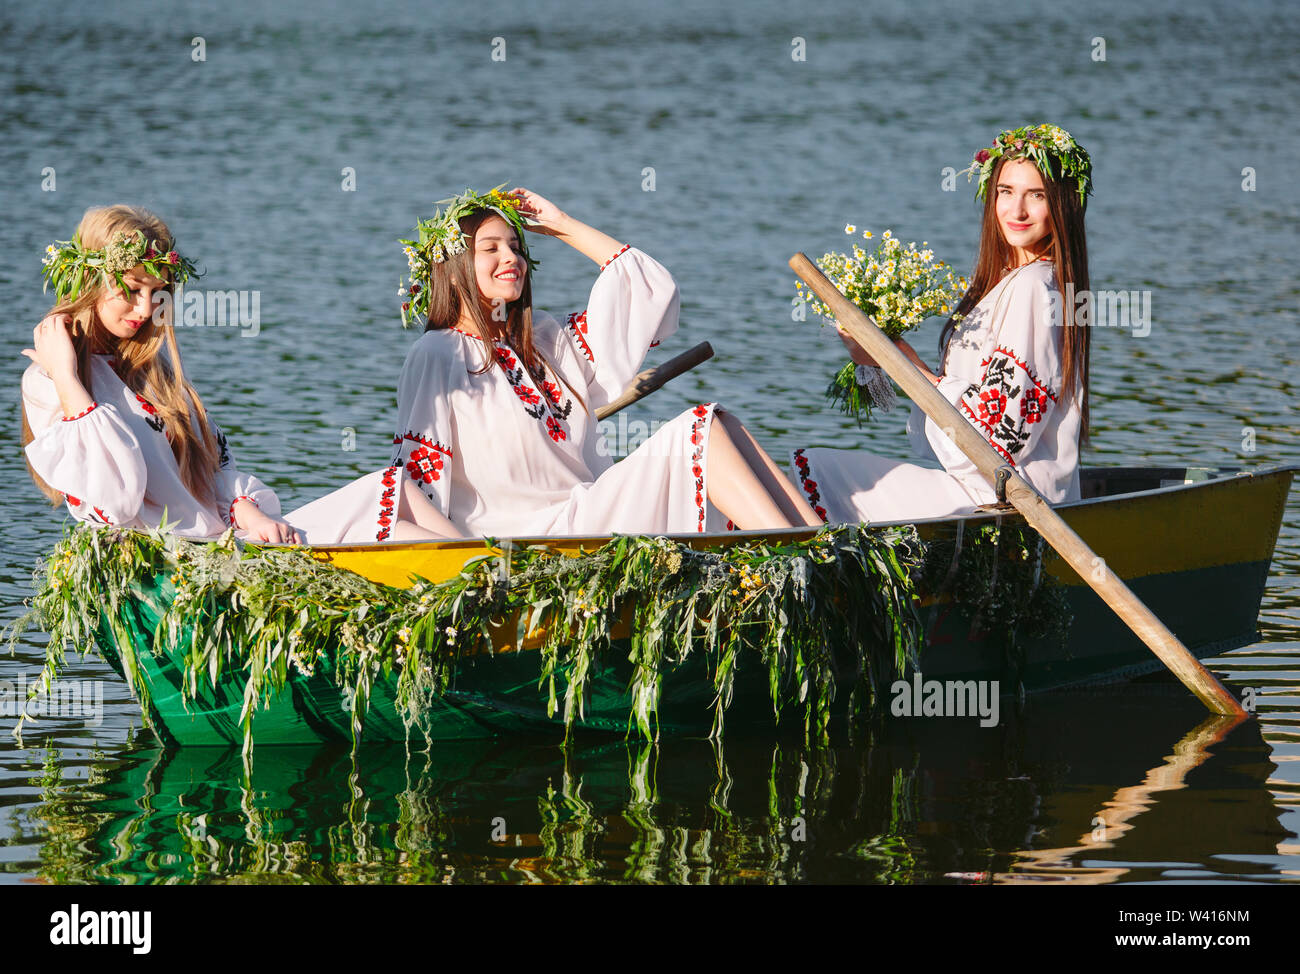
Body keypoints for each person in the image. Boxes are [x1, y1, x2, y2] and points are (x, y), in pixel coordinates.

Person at [376, 185, 821, 540]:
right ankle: (801, 560)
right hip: (532, 541)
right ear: (454, 266)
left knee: (720, 424)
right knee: (697, 430)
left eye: (515, 245)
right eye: (490, 248)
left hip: (586, 515)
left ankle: (820, 548)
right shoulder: (438, 354)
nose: (511, 257)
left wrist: (562, 225)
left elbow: (647, 294)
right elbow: (417, 481)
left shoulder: (546, 341)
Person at [21, 205, 448, 544]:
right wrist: (66, 376)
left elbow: (211, 471)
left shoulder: (155, 372)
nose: (146, 309)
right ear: (90, 281)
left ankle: (494, 574)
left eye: (157, 293)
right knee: (387, 526)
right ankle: (491, 589)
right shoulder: (50, 382)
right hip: (181, 565)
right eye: (131, 290)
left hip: (231, 542)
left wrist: (249, 511)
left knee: (391, 489)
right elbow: (114, 497)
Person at [790, 123, 1093, 524]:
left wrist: (905, 363)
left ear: (1063, 204)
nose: (1016, 211)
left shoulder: (1035, 288)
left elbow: (1001, 438)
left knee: (814, 469)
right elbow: (962, 420)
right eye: (1006, 192)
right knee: (813, 470)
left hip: (1011, 504)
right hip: (985, 489)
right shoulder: (1012, 281)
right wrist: (878, 360)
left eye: (1036, 195)